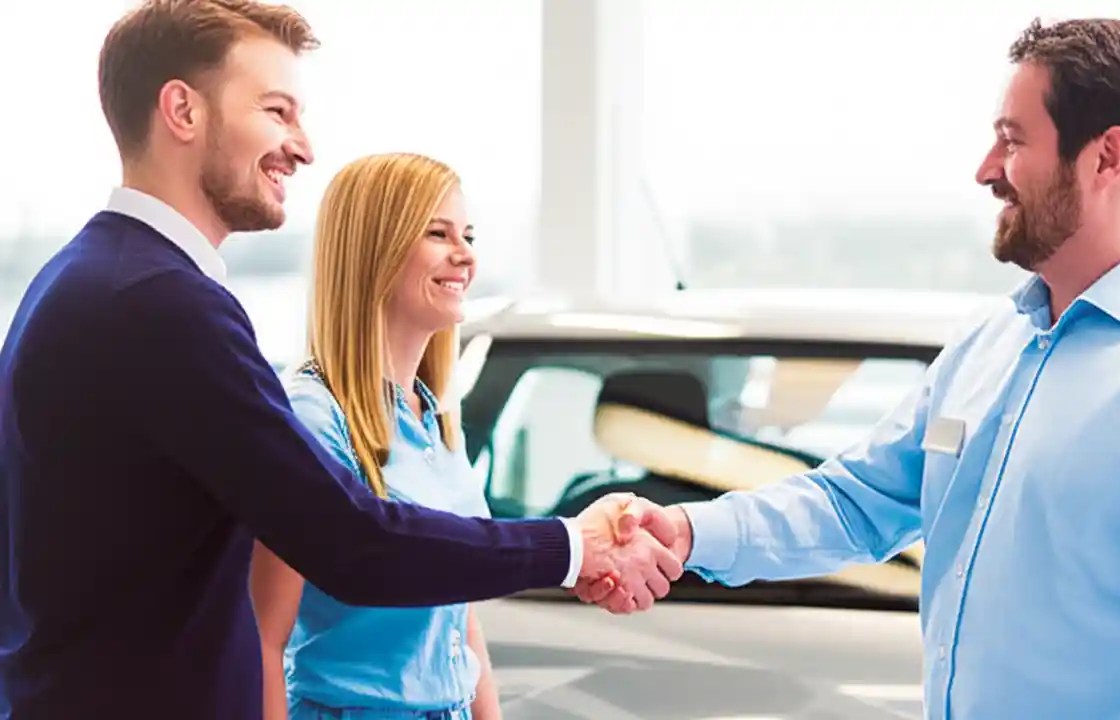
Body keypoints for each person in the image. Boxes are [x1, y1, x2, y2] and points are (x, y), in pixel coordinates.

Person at [585, 17, 1120, 720]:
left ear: (1107, 158)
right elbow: (853, 503)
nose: (986, 169)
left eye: (1012, 141)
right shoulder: (986, 344)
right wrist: (690, 531)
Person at [0, 2, 678, 718]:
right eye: (276, 110)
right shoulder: (159, 301)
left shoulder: (84, 280)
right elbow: (349, 541)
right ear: (182, 111)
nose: (303, 147)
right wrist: (573, 545)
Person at [251, 153, 502, 720]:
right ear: (375, 252)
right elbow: (264, 637)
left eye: (467, 234)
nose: (465, 255)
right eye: (438, 234)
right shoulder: (312, 420)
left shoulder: (431, 416)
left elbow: (461, 621)